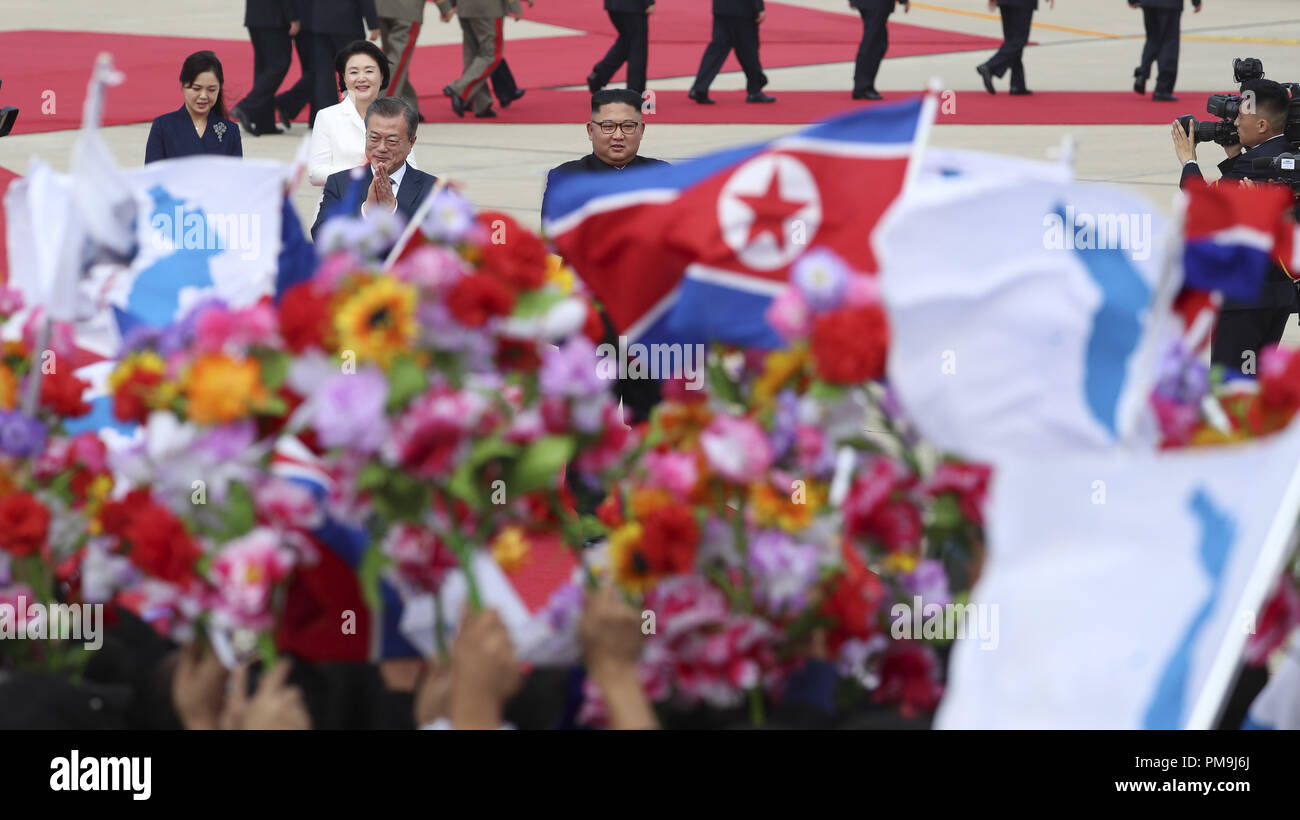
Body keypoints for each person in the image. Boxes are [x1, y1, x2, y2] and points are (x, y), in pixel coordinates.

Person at [544, 89, 669, 425]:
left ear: (642, 130)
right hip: (591, 329)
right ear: (590, 129)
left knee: (651, 426)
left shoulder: (664, 177)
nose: (618, 135)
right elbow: (561, 240)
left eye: (628, 126)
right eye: (608, 126)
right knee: (588, 427)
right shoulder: (566, 179)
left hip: (648, 331)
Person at [1174, 79, 1299, 374]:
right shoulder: (1282, 157)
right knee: (1254, 380)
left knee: (1232, 385)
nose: (1235, 123)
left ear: (1263, 125)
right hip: (1277, 296)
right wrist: (1234, 156)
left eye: (1242, 117)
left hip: (1245, 301)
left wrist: (1188, 160)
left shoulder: (1255, 165)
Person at [311, 97, 436, 239]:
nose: (382, 148)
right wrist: (365, 211)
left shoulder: (433, 189)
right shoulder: (340, 183)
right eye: (374, 138)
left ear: (411, 142)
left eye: (392, 141)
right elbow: (320, 235)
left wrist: (393, 210)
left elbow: (441, 243)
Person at [309, 40, 420, 189]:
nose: (361, 78)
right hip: (340, 205)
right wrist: (363, 172)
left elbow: (411, 169)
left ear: (381, 76)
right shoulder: (327, 117)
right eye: (354, 72)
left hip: (385, 205)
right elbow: (315, 174)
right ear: (344, 78)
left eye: (369, 71)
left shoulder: (397, 116)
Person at [145, 51, 243, 163]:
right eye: (196, 89)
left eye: (211, 90)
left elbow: (236, 176)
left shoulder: (231, 130)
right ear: (183, 86)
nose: (203, 96)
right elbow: (152, 175)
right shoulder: (163, 126)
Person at [435, 0, 523, 119]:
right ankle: (458, 89)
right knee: (491, 55)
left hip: (464, 8)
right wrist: (515, 6)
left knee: (472, 55)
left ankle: (481, 104)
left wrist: (447, 6)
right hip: (488, 9)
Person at [232, 0, 300, 137]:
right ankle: (246, 107)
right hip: (274, 18)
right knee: (278, 65)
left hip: (256, 16)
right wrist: (293, 17)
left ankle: (264, 122)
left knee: (264, 68)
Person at [308, 0, 381, 126]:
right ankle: (354, 115)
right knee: (355, 70)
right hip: (348, 22)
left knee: (323, 73)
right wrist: (373, 24)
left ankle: (326, 118)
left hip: (320, 21)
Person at [689, 0, 775, 105]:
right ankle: (755, 88)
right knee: (748, 50)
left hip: (721, 8)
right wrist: (759, 7)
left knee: (717, 50)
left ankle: (700, 88)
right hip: (743, 10)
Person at [976, 0, 1053, 96]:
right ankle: (990, 66)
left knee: (1012, 41)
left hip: (1005, 3)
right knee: (1018, 40)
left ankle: (1017, 84)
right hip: (1022, 3)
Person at [1131, 0, 1203, 102]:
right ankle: (1162, 88)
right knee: (1169, 43)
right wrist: (1196, 2)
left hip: (1148, 3)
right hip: (1170, 4)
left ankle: (1142, 74)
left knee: (1152, 39)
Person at [587, 0, 655, 97]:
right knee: (637, 49)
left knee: (626, 41)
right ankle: (635, 93)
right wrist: (648, 2)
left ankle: (599, 76)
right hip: (634, 7)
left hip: (614, 5)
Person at [851, 0, 910, 101]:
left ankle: (865, 85)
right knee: (873, 44)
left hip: (870, 4)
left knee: (877, 43)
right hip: (877, 4)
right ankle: (863, 87)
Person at [377, 0, 425, 118]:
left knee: (392, 58)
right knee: (398, 60)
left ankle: (410, 106)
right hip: (407, 10)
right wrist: (444, 6)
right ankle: (383, 106)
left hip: (381, 7)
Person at [275, 0, 315, 129]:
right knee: (319, 72)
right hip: (309, 22)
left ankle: (312, 116)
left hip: (307, 20)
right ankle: (285, 101)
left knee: (313, 71)